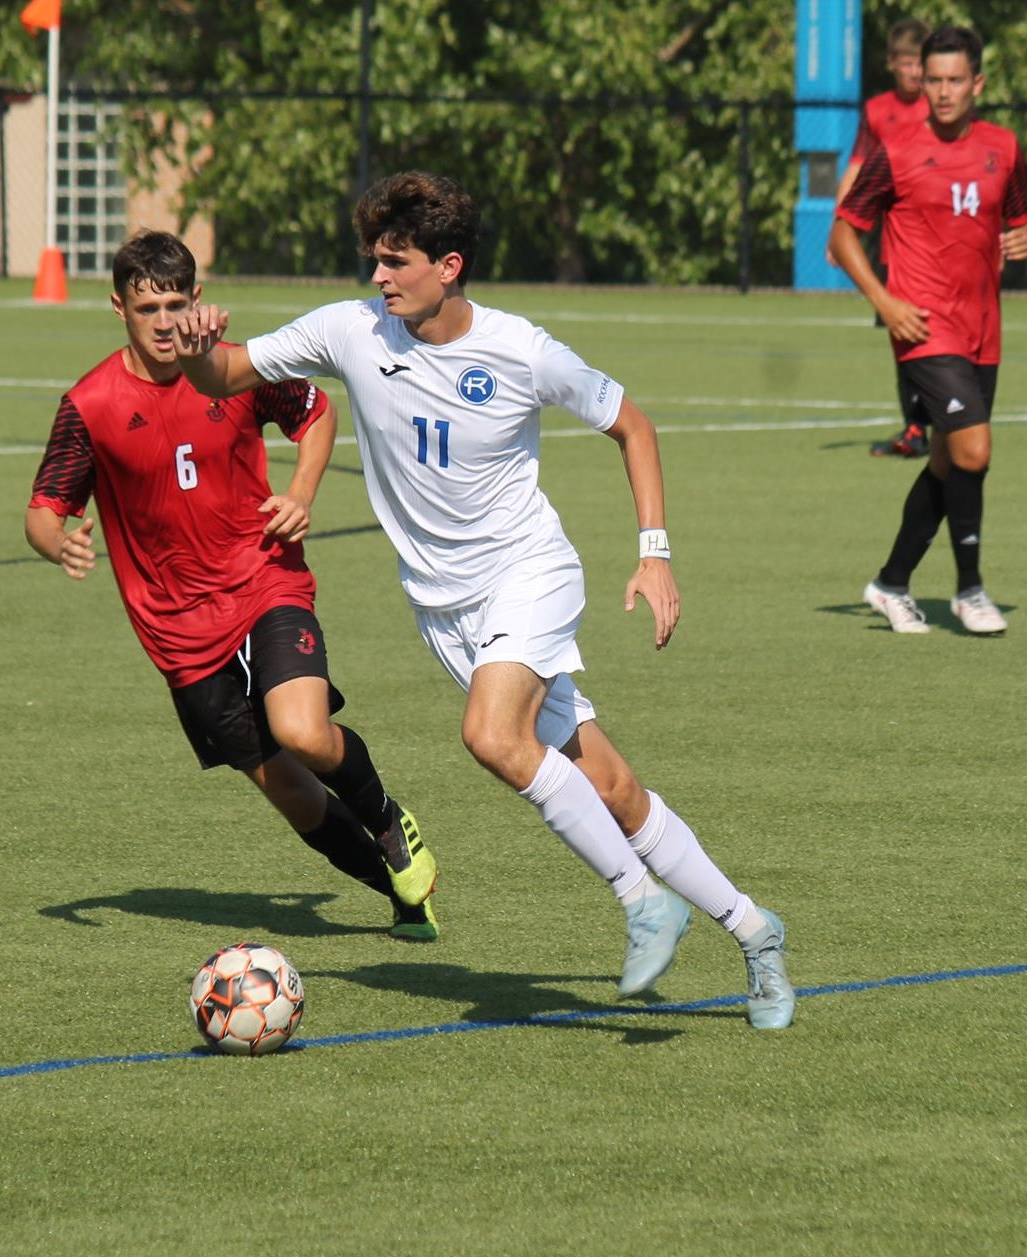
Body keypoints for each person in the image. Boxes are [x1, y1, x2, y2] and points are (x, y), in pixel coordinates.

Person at [169, 172, 795, 1030]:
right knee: (611, 785)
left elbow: (633, 426)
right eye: (374, 259)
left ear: (449, 266)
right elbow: (223, 375)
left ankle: (642, 898)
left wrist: (654, 555)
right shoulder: (350, 330)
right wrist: (197, 346)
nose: (379, 276)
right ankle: (756, 929)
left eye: (396, 261)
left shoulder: (521, 351)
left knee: (491, 735)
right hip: (446, 613)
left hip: (529, 575)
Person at [25, 230, 441, 940]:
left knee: (301, 730)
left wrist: (301, 493)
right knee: (293, 795)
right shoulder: (90, 405)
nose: (164, 323)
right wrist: (56, 541)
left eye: (176, 305)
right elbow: (42, 510)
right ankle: (399, 894)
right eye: (147, 308)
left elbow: (316, 414)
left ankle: (386, 819)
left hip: (264, 580)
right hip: (179, 635)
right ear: (119, 308)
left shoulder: (232, 368)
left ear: (197, 299)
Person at [829, 25, 1027, 636]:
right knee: (975, 449)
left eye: (955, 80)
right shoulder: (895, 149)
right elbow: (842, 234)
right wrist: (885, 301)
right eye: (933, 80)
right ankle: (970, 591)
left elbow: (1024, 217)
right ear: (921, 82)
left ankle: (891, 583)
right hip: (923, 326)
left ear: (977, 84)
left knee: (949, 463)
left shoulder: (1003, 146)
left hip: (983, 327)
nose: (943, 92)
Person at [831, 17, 933, 460]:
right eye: (907, 63)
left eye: (920, 63)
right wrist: (837, 230)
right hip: (896, 242)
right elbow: (856, 166)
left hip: (939, 240)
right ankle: (916, 426)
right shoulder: (877, 111)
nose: (915, 72)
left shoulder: (941, 104)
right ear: (891, 63)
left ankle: (941, 420)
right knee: (902, 333)